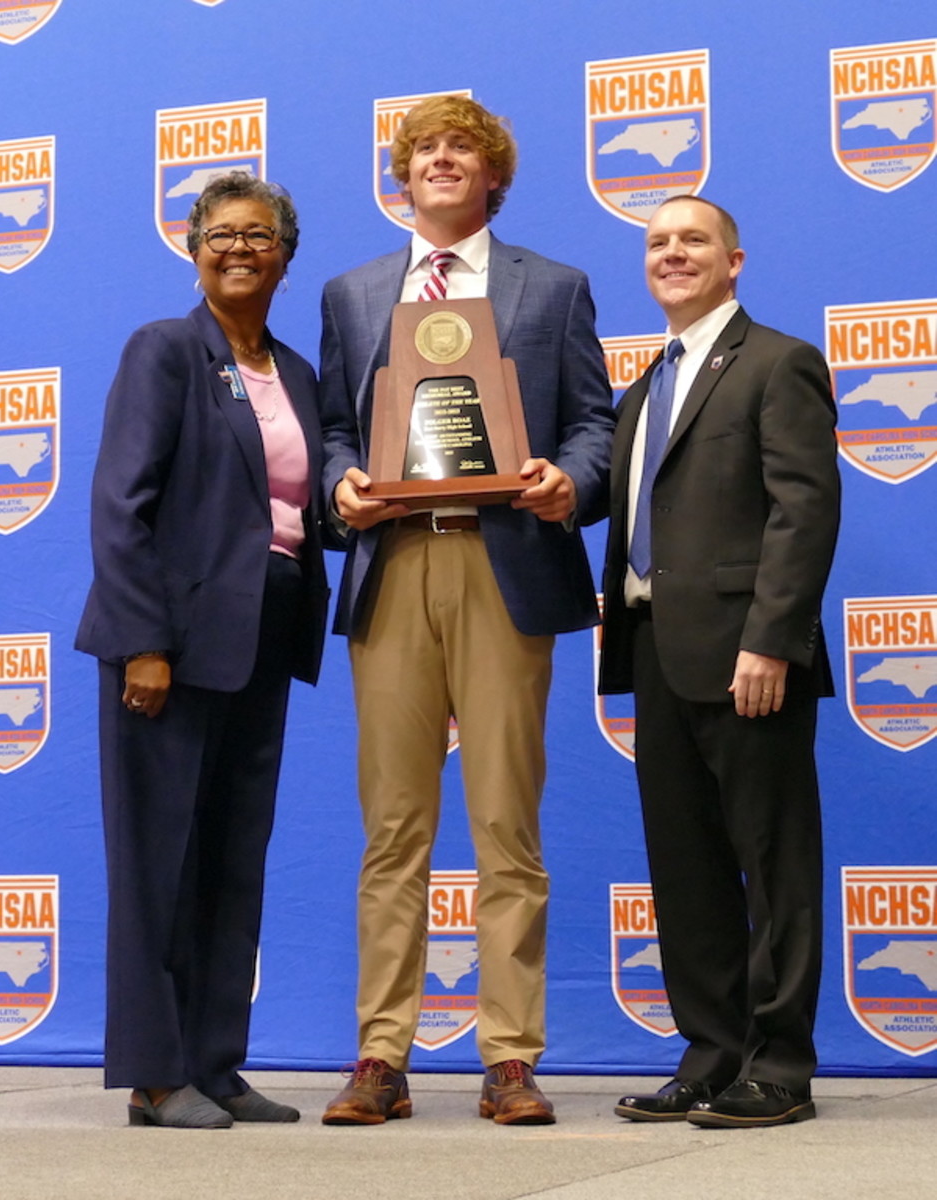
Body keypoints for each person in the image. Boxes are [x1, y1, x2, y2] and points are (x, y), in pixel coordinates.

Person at [318, 95, 614, 1126]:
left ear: (494, 176)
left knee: (504, 820)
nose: (440, 160)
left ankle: (510, 1057)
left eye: (461, 148)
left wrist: (569, 482)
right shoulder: (353, 293)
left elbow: (593, 424)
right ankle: (381, 1055)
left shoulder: (554, 286)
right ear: (401, 177)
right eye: (423, 150)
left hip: (507, 562)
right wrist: (342, 483)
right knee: (393, 824)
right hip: (394, 562)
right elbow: (332, 429)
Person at [75, 173, 331, 1129]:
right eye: (219, 235)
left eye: (258, 235)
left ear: (285, 257)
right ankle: (153, 1073)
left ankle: (216, 1063)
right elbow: (120, 506)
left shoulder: (296, 373)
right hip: (169, 646)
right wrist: (145, 641)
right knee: (158, 862)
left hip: (264, 634)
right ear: (194, 254)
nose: (238, 249)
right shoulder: (166, 351)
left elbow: (302, 504)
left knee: (232, 856)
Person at [599, 195, 840, 1128]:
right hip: (655, 648)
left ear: (733, 261)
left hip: (749, 655)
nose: (673, 253)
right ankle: (711, 1055)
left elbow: (804, 511)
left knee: (773, 864)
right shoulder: (640, 389)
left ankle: (779, 1068)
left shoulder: (780, 362)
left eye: (693, 240)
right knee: (686, 866)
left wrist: (771, 639)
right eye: (657, 243)